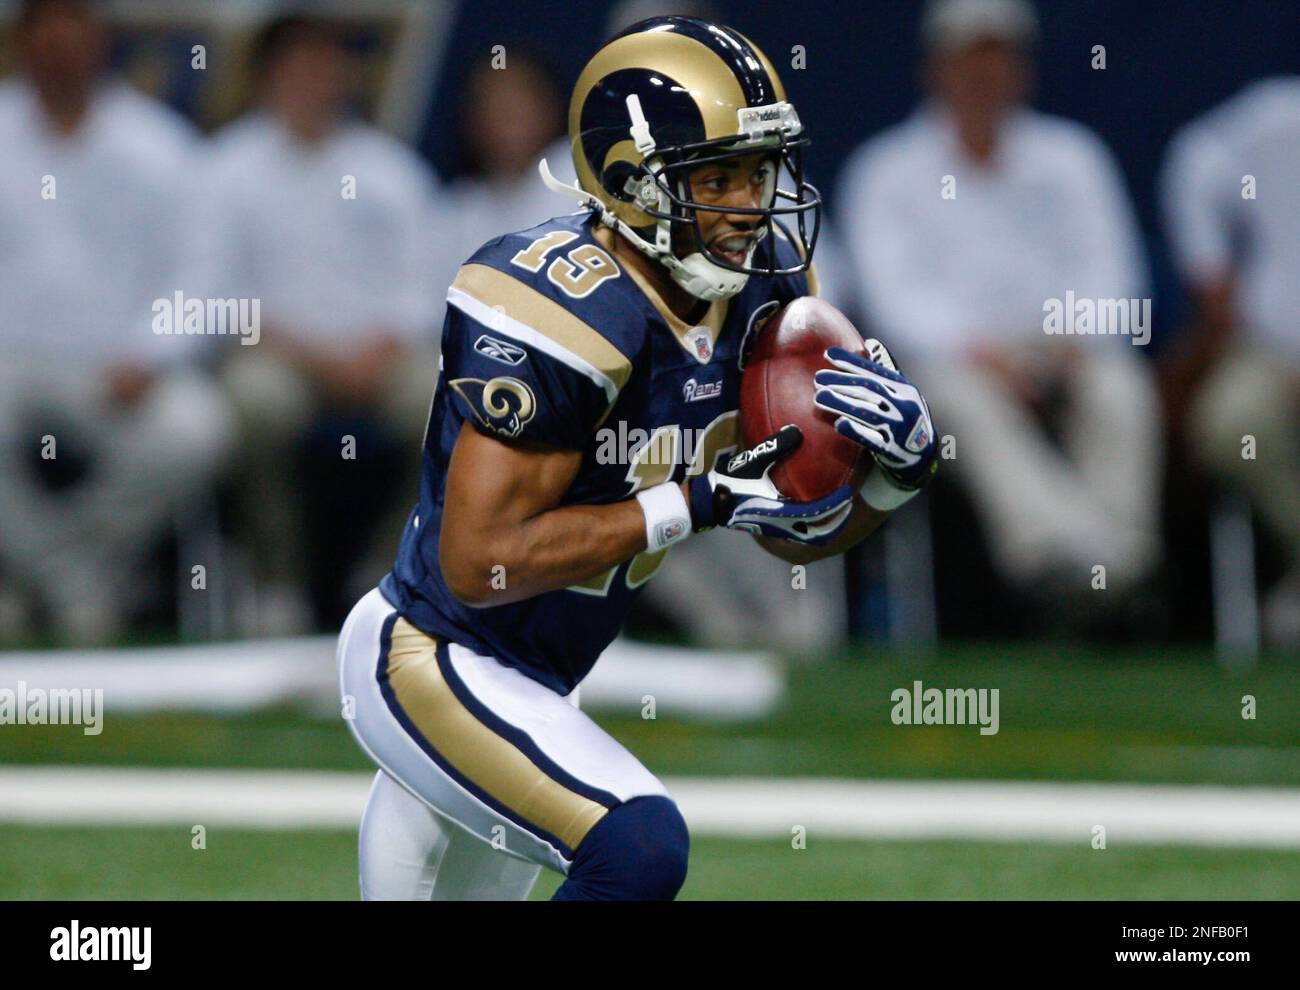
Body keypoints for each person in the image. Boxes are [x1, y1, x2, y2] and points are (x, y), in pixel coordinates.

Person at [336, 15, 939, 900]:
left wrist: (889, 481)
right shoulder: (562, 306)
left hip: (539, 679)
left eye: (759, 171)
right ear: (632, 182)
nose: (748, 205)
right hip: (435, 655)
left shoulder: (759, 288)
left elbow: (790, 530)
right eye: (718, 176)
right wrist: (692, 503)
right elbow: (477, 565)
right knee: (638, 845)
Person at [837, 0, 1160, 604]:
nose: (985, 77)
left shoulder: (1072, 157)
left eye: (999, 61)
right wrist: (981, 352)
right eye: (971, 61)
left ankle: (1123, 561)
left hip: (1066, 343)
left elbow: (1112, 272)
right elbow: (892, 300)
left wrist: (1072, 341)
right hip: (952, 358)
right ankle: (1063, 560)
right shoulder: (887, 170)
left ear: (1022, 70)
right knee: (959, 399)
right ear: (940, 68)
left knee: (1121, 389)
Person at [194, 15, 446, 632]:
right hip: (272, 352)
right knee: (256, 403)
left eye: (329, 63)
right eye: (299, 64)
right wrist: (306, 354)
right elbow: (211, 292)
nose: (316, 78)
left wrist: (379, 347)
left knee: (449, 404)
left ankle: (387, 572)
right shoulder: (225, 169)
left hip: (379, 356)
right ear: (268, 75)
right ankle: (276, 581)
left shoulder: (392, 170)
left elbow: (428, 286)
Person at [0, 0, 230, 643]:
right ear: (22, 40)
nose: (61, 47)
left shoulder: (160, 145)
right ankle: (75, 585)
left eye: (76, 29)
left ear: (101, 42)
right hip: (8, 360)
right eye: (47, 30)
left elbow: (201, 272)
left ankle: (45, 577)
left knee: (195, 430)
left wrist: (151, 353)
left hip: (116, 364)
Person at [1161, 77, 1300, 646]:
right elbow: (1195, 161)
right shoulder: (1278, 118)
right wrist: (1209, 266)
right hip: (1273, 348)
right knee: (1230, 424)